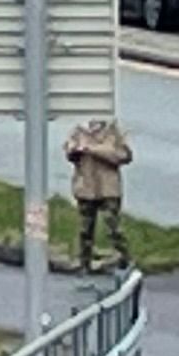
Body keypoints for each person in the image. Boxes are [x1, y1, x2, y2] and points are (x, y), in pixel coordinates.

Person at [64, 115, 133, 272]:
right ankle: (84, 263)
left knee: (113, 226)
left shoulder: (114, 132)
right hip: (85, 187)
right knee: (85, 229)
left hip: (108, 188)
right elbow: (69, 152)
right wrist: (75, 150)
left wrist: (92, 149)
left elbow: (122, 156)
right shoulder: (78, 130)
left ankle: (125, 259)